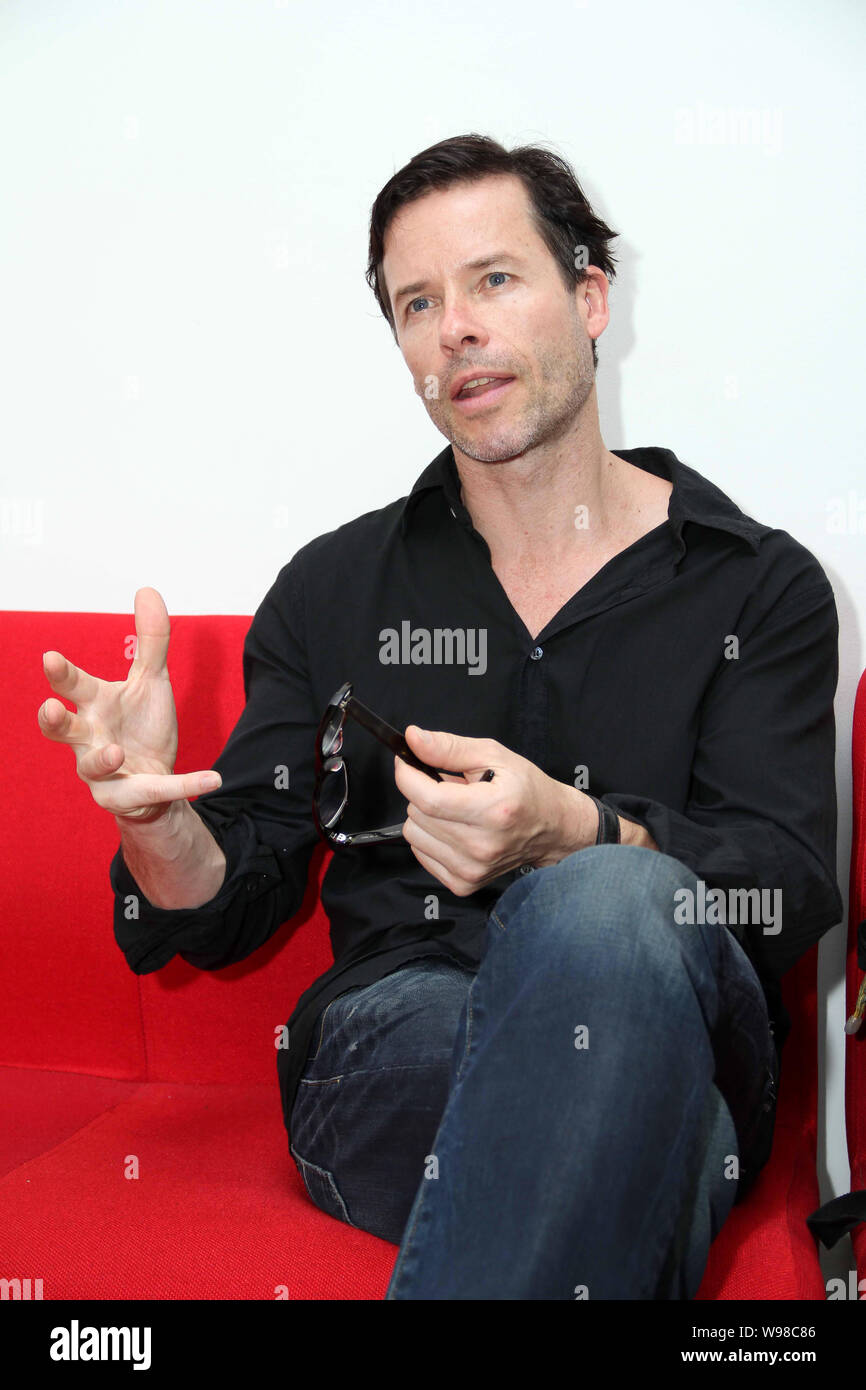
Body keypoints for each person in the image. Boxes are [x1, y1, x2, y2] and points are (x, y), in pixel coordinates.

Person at [38, 133, 842, 1299]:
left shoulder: (752, 585)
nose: (454, 326)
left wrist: (578, 834)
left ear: (589, 296)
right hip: (398, 1044)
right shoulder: (329, 588)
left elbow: (785, 887)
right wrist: (154, 818)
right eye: (417, 303)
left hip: (671, 1021)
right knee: (617, 1117)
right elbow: (224, 907)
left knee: (609, 908)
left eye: (493, 280)